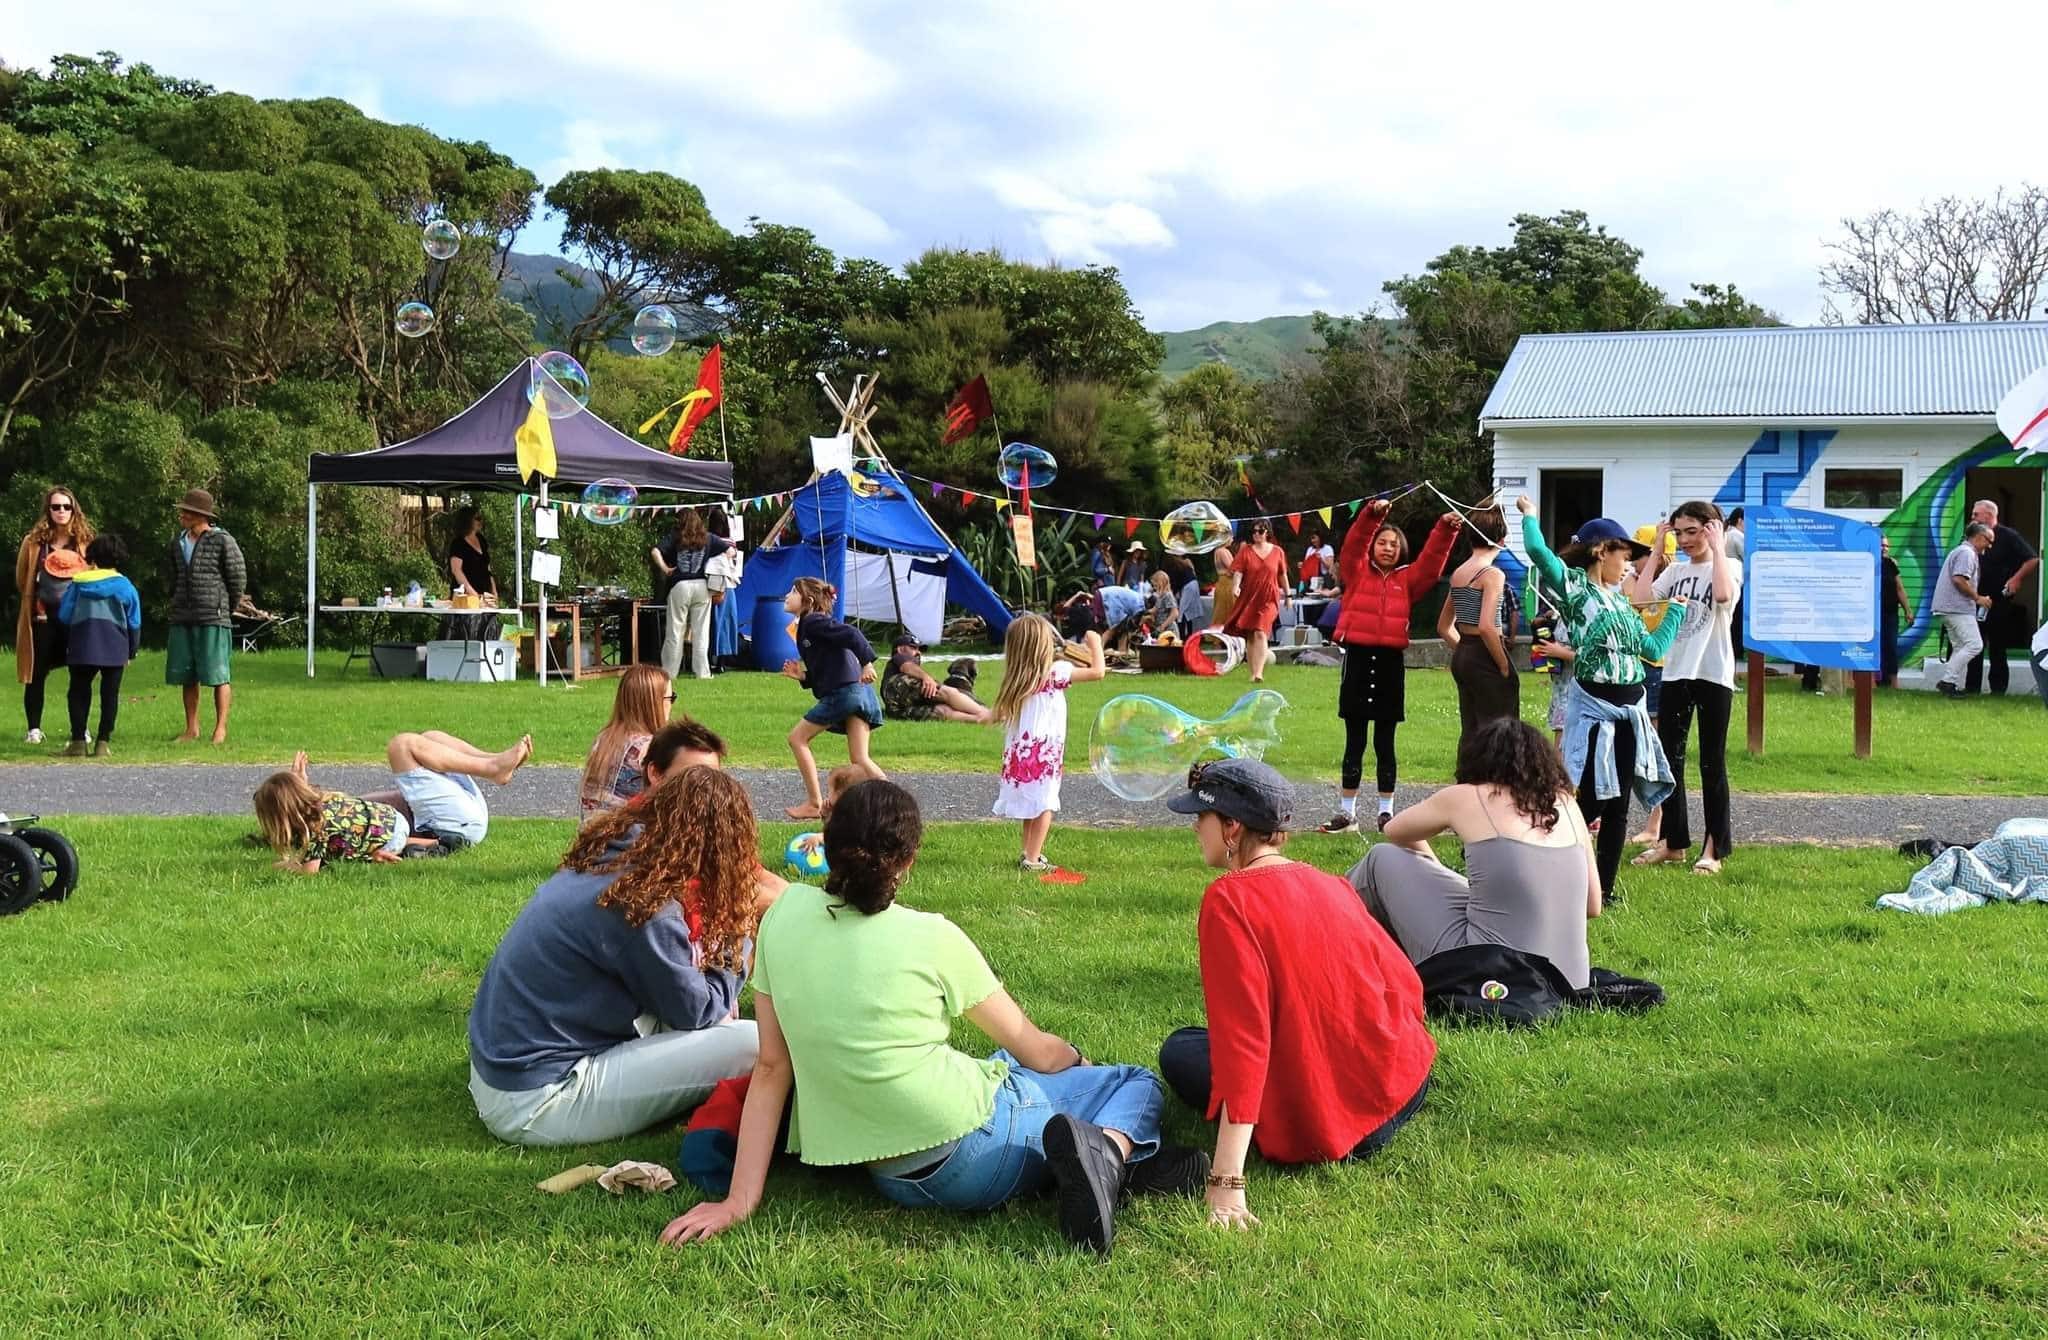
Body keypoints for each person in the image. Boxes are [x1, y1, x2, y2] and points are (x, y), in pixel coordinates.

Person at [659, 781, 1206, 1255]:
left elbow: (773, 1069)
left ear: (825, 848)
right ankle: (1112, 1153)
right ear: (909, 859)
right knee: (1132, 1082)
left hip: (887, 1173)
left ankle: (1109, 1160)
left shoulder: (781, 920)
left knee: (996, 1067)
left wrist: (738, 1201)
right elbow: (1035, 1050)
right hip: (969, 1152)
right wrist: (1081, 1065)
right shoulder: (933, 936)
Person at [1157, 757, 1435, 1230]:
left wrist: (1226, 1183)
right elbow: (1405, 983)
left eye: (1199, 817)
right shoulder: (1331, 884)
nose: (1193, 828)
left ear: (1231, 828)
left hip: (1322, 1121)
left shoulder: (1230, 900)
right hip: (1402, 1088)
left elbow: (1244, 1044)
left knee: (1181, 1050)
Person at [467, 766, 772, 1146]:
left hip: (500, 1074)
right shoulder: (641, 904)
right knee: (760, 1044)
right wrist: (739, 929)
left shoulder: (611, 858)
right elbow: (696, 1013)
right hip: (537, 1101)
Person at [1516, 497, 1683, 897]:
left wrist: (1674, 613)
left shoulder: (1625, 606)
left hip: (1631, 713)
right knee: (1591, 800)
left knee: (1620, 804)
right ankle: (1544, 859)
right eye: (1624, 554)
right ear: (1600, 551)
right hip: (1594, 713)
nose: (1628, 564)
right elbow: (1538, 551)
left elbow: (1653, 648)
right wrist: (1530, 515)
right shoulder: (1574, 589)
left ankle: (1603, 889)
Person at [1351, 720, 1600, 986]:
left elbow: (1394, 831)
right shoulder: (1567, 804)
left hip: (1491, 976)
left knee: (1380, 858)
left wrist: (1433, 867)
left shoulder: (1465, 796)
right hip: (1572, 979)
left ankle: (1329, 943)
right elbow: (1593, 906)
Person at [1320, 501, 1460, 834]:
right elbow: (1353, 544)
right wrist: (1372, 515)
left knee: (1385, 741)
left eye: (1394, 544)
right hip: (1356, 659)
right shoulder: (1355, 571)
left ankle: (1386, 813)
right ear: (1373, 547)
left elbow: (1431, 562)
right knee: (1354, 740)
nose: (1387, 548)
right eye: (1382, 542)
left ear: (1401, 551)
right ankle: (1347, 814)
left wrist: (1445, 528)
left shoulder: (1408, 580)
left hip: (1389, 665)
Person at [1630, 501, 1741, 875]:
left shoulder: (1729, 566)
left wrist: (1720, 549)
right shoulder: (1675, 570)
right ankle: (1673, 842)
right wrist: (1659, 550)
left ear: (1712, 528)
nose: (1686, 539)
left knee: (1712, 762)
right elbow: (1639, 600)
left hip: (1713, 673)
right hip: (1676, 672)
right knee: (1670, 759)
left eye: (1693, 531)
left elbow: (1724, 596)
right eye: (1680, 532)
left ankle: (1714, 848)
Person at [993, 614, 1106, 877]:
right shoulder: (1054, 672)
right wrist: (1095, 641)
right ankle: (1033, 860)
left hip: (1023, 755)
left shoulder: (1019, 678)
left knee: (1031, 803)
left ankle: (1027, 851)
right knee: (1044, 803)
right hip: (1044, 754)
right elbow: (1097, 671)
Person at [782, 577, 885, 820]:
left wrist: (867, 663)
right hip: (859, 693)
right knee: (860, 758)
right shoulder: (812, 626)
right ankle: (893, 802)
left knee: (797, 739)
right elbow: (831, 667)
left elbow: (852, 634)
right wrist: (803, 676)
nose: (787, 596)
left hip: (846, 694)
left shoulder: (813, 622)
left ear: (807, 601)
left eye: (792, 591)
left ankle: (814, 803)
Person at [165, 488, 246, 746]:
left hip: (213, 615)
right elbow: (171, 576)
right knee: (187, 675)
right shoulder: (177, 541)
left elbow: (237, 577)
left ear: (200, 515)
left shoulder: (222, 540)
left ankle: (220, 729)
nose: (182, 514)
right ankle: (192, 728)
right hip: (183, 615)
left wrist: (226, 606)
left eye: (187, 511)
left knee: (217, 673)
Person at [16, 486, 94, 745]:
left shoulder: (85, 541)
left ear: (74, 510)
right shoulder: (33, 542)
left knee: (80, 672)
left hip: (76, 618)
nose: (61, 511)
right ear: (48, 510)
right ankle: (34, 730)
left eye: (66, 507)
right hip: (42, 618)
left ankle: (80, 730)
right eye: (56, 507)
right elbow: (22, 577)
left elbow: (96, 575)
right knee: (35, 673)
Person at [1437, 504, 1517, 751]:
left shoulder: (1459, 573)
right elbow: (1486, 626)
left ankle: (1467, 781)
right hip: (1486, 653)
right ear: (1501, 540)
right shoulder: (1492, 574)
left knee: (1471, 728)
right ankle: (1497, 783)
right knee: (1500, 729)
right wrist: (1503, 664)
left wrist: (1463, 650)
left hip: (1464, 654)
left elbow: (1443, 626)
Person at [56, 534, 140, 758]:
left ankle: (77, 742)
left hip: (82, 644)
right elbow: (134, 622)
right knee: (109, 695)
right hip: (115, 646)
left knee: (78, 692)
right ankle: (103, 743)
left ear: (92, 555)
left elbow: (64, 616)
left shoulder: (78, 584)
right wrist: (131, 650)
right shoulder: (125, 586)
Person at [1964, 499, 2040, 696]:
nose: (1972, 518)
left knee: (1998, 645)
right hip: (1976, 598)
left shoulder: (2008, 536)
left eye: (1976, 514)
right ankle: (1972, 688)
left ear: (1989, 516)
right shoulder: (1972, 537)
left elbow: (2032, 559)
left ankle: (1998, 689)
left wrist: (2016, 579)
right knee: (1975, 644)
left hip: (1998, 599)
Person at [579, 664, 673, 823]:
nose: (672, 705)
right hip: (626, 841)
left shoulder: (604, 739)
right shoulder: (647, 749)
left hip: (591, 841)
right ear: (654, 703)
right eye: (671, 698)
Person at [652, 509, 733, 682]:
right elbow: (730, 551)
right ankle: (702, 673)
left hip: (680, 586)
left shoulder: (675, 536)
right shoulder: (708, 537)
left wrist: (666, 569)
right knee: (701, 632)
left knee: (675, 631)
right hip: (702, 586)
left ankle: (669, 673)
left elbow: (655, 551)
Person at [1932, 523, 1996, 699]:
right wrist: (1978, 598)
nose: (1989, 546)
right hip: (1956, 608)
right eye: (1988, 541)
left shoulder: (1960, 551)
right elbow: (1959, 579)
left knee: (1960, 647)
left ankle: (1950, 684)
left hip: (1946, 607)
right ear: (1979, 537)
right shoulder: (1967, 553)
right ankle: (1947, 682)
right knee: (1975, 645)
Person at [1224, 520, 1289, 683]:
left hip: (1269, 597)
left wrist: (1288, 595)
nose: (1256, 535)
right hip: (1249, 596)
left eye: (1260, 531)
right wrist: (1236, 587)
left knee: (1260, 631)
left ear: (1267, 532)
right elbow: (1238, 571)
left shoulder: (1277, 551)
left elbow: (1282, 575)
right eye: (1254, 532)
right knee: (1251, 635)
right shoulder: (1245, 551)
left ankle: (1259, 672)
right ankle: (1253, 673)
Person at [882, 635, 991, 724]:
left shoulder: (908, 670)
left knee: (942, 711)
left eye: (919, 649)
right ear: (900, 649)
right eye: (913, 648)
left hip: (896, 711)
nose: (918, 652)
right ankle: (986, 713)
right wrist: (926, 678)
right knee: (947, 692)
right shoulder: (898, 658)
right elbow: (907, 666)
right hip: (896, 691)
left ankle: (980, 719)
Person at [443, 504, 502, 642]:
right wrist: (473, 593)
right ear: (467, 520)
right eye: (477, 518)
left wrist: (494, 591)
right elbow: (456, 571)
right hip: (466, 598)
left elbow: (487, 568)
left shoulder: (481, 540)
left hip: (485, 596)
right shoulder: (458, 543)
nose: (480, 521)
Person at [704, 522, 744, 670]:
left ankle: (708, 661)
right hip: (729, 587)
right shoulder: (731, 542)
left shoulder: (708, 540)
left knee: (710, 625)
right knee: (726, 624)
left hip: (712, 586)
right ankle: (722, 662)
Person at [1879, 535, 1908, 687]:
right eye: (1881, 545)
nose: (1884, 548)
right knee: (1876, 646)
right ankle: (1874, 681)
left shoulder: (1892, 564)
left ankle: (1893, 682)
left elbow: (1899, 588)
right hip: (1874, 614)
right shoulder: (1868, 563)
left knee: (1891, 645)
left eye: (1886, 546)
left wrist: (1907, 610)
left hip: (1891, 612)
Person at [1724, 507, 1746, 660]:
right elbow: (1749, 556)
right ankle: (1736, 651)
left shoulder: (1725, 534)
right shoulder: (1737, 536)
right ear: (1740, 520)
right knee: (1737, 621)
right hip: (1737, 584)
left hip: (1723, 582)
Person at [1209, 540, 1238, 631]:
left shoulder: (1217, 550)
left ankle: (1219, 633)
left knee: (1221, 608)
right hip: (1227, 582)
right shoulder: (1222, 551)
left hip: (1222, 581)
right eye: (1231, 537)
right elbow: (1232, 568)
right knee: (1227, 608)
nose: (1233, 539)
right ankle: (1227, 632)